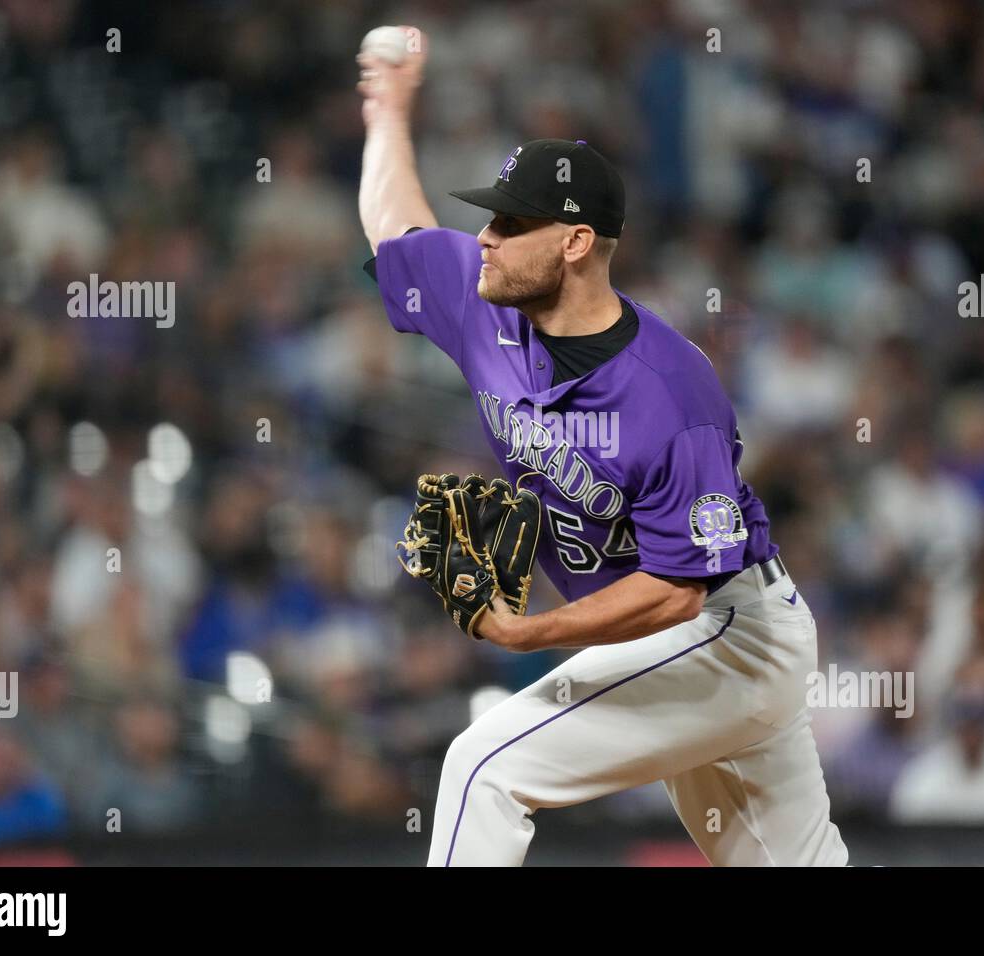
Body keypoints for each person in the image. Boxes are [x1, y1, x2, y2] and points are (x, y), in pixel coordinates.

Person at [355, 26, 847, 867]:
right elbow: (394, 225)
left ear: (576, 242)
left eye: (511, 222)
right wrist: (389, 111)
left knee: (482, 767)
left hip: (731, 632)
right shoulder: (484, 305)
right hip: (683, 645)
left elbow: (679, 592)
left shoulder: (670, 390)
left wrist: (531, 631)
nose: (487, 238)